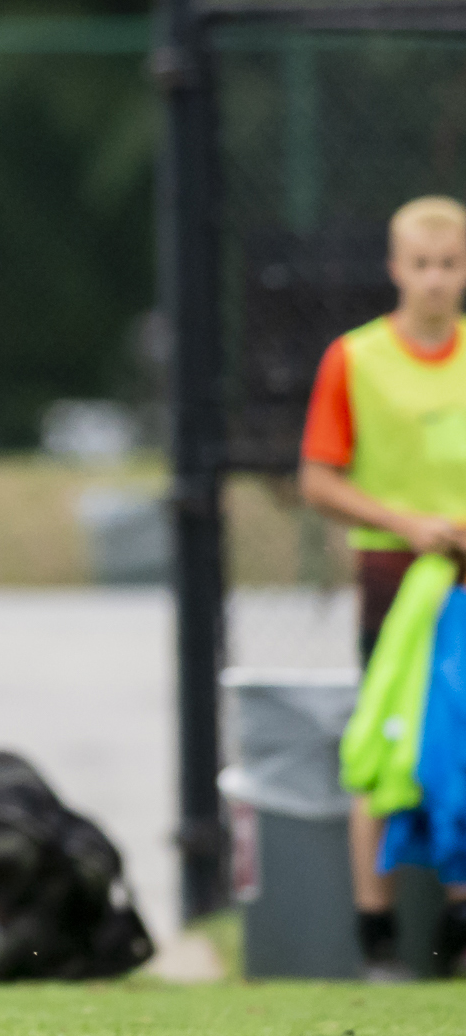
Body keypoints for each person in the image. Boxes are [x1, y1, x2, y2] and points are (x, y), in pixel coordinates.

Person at [300, 194, 466, 979]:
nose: (436, 280)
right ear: (397, 269)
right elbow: (319, 480)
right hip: (394, 579)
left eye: (451, 264)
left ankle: (458, 929)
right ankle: (379, 932)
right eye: (423, 264)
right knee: (384, 747)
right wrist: (404, 522)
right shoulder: (356, 358)